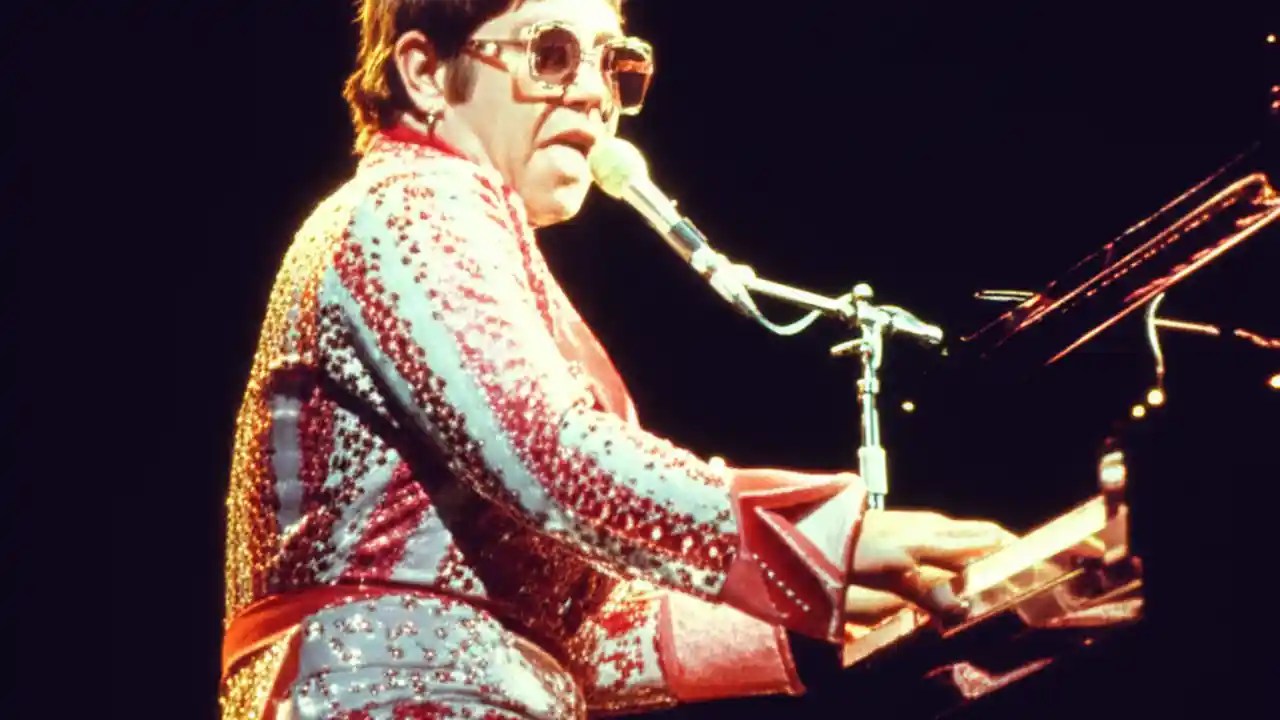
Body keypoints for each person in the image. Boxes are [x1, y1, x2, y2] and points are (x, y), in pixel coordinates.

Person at [219, 1, 1016, 718]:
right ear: (427, 72)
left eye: (615, 63)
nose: (595, 93)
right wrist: (819, 541)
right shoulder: (406, 207)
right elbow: (550, 453)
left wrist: (826, 609)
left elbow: (578, 630)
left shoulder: (466, 236)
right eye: (553, 53)